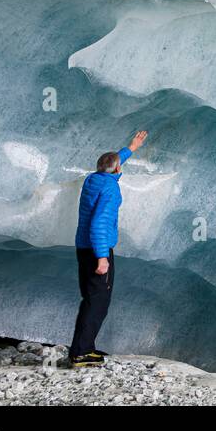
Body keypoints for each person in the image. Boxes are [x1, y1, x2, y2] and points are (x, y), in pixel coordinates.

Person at [68, 129, 148, 368]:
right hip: (97, 249)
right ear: (117, 170)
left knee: (90, 298)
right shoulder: (111, 189)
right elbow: (100, 223)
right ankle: (81, 353)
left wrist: (131, 148)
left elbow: (111, 164)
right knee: (98, 301)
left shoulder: (93, 179)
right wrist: (102, 258)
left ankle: (83, 348)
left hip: (83, 247)